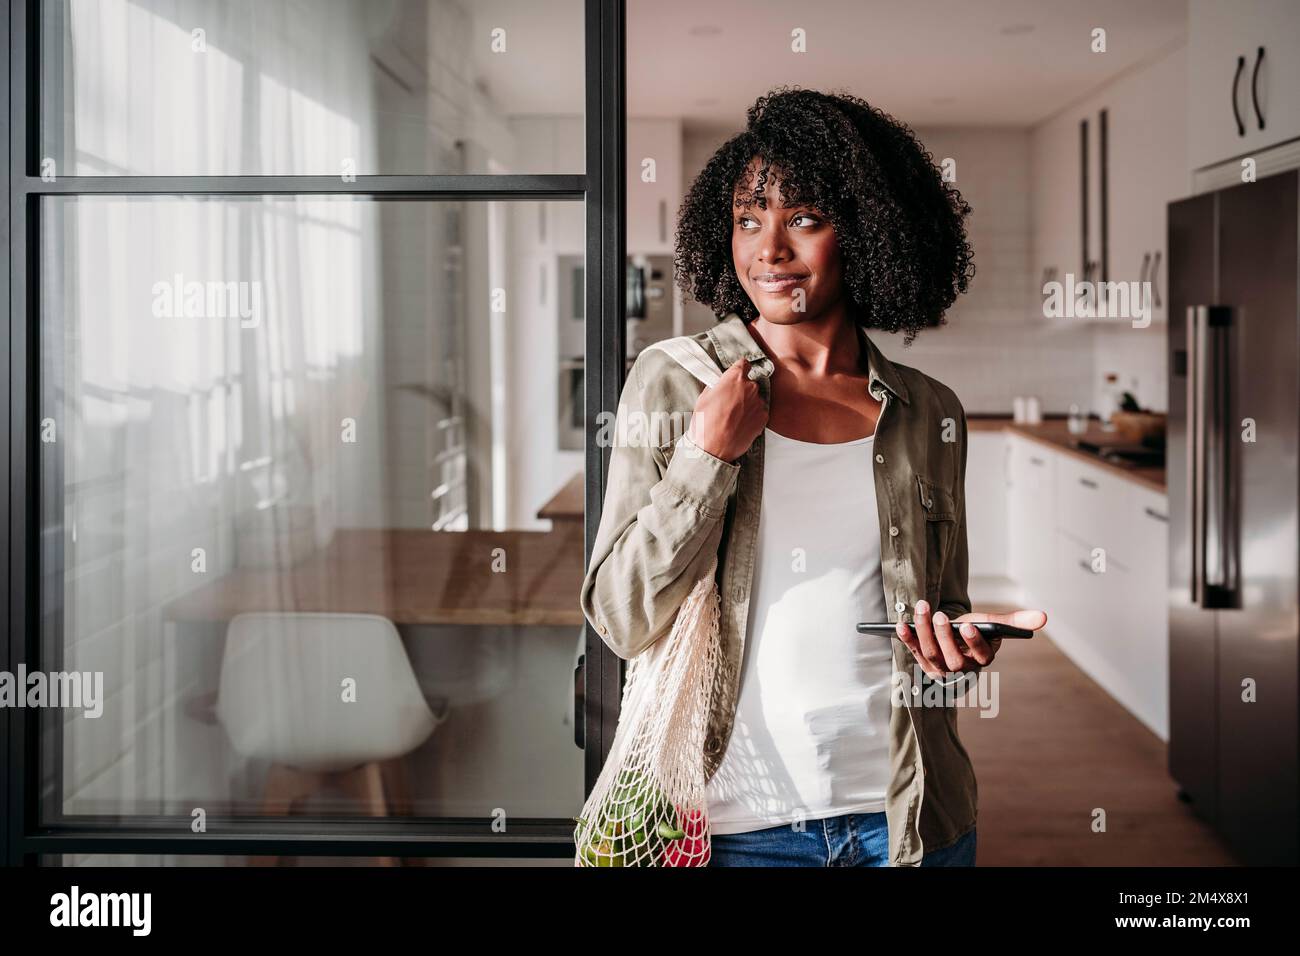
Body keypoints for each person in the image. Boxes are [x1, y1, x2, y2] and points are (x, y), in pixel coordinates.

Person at [580, 86, 1046, 867]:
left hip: (910, 821)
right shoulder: (675, 381)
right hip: (736, 826)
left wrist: (954, 654)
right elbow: (620, 615)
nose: (769, 249)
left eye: (803, 218)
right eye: (748, 218)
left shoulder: (930, 410)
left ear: (865, 232)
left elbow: (939, 614)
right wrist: (709, 458)